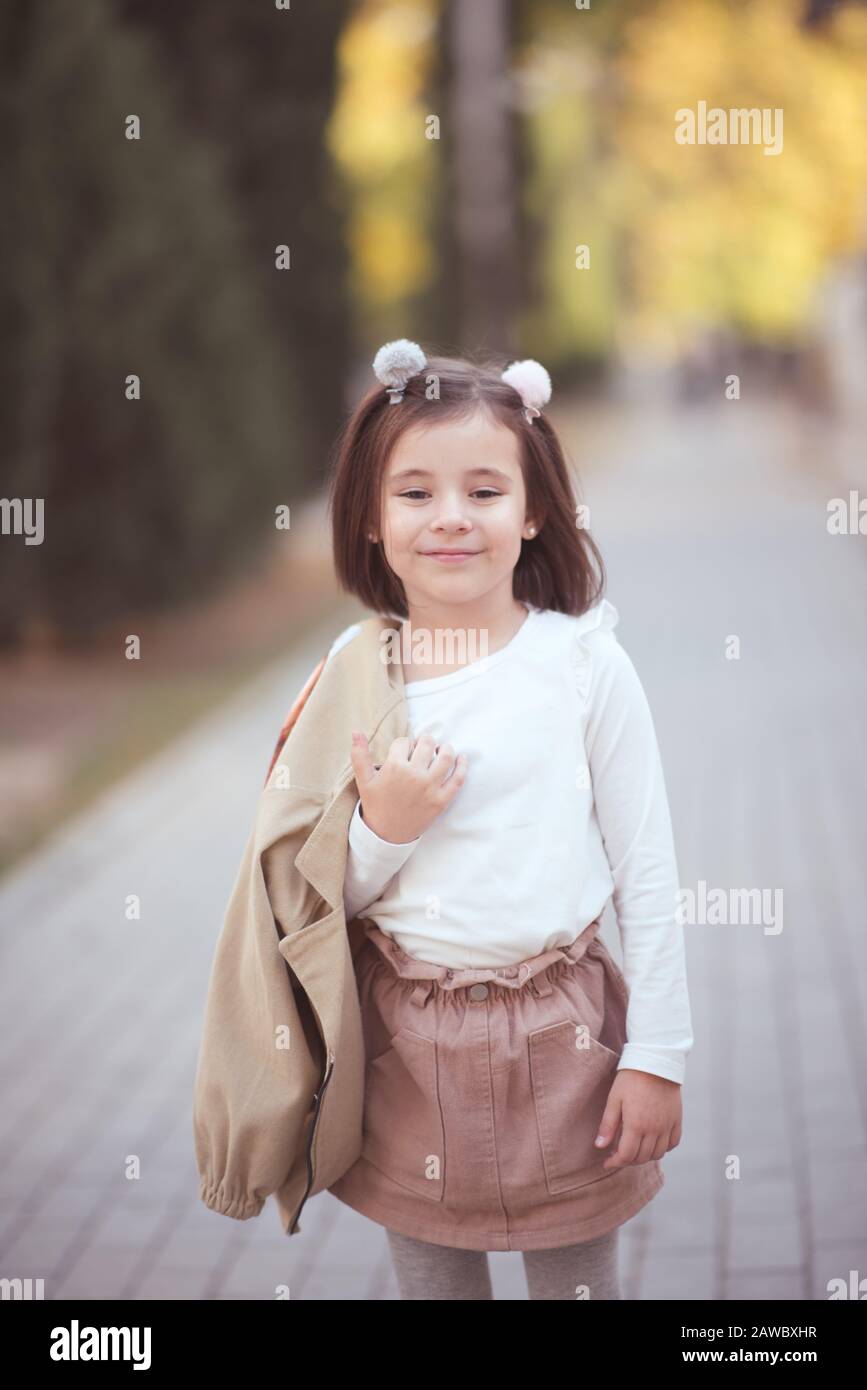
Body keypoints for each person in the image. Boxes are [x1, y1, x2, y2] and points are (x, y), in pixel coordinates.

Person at [315, 339, 694, 1299]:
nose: (451, 518)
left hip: (564, 1041)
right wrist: (383, 828)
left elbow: (646, 868)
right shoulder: (357, 678)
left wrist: (657, 1056)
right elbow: (318, 901)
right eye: (415, 493)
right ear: (368, 515)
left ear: (532, 515)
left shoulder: (583, 667)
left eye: (485, 492)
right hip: (408, 1045)